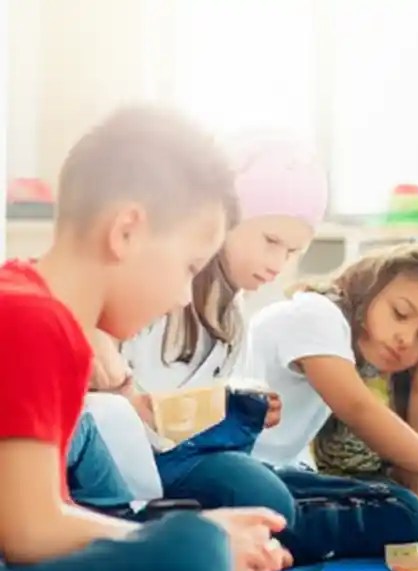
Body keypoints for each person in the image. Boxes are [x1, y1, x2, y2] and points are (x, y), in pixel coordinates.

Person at [0, 105, 289, 571]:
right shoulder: (31, 319)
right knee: (192, 562)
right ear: (126, 232)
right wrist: (196, 539)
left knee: (190, 552)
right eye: (189, 267)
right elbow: (29, 531)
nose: (184, 296)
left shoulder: (41, 312)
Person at [89, 130, 328, 522]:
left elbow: (207, 419)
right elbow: (117, 401)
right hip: (139, 455)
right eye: (270, 240)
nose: (278, 263)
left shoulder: (234, 315)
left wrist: (244, 405)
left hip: (192, 454)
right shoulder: (152, 283)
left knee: (391, 508)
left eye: (291, 252)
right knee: (269, 500)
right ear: (227, 219)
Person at [247, 243, 418, 538]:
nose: (406, 339)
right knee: (407, 516)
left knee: (409, 514)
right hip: (242, 471)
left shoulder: (362, 364)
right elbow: (359, 410)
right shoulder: (317, 314)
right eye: (400, 313)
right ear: (367, 289)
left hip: (275, 473)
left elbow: (409, 483)